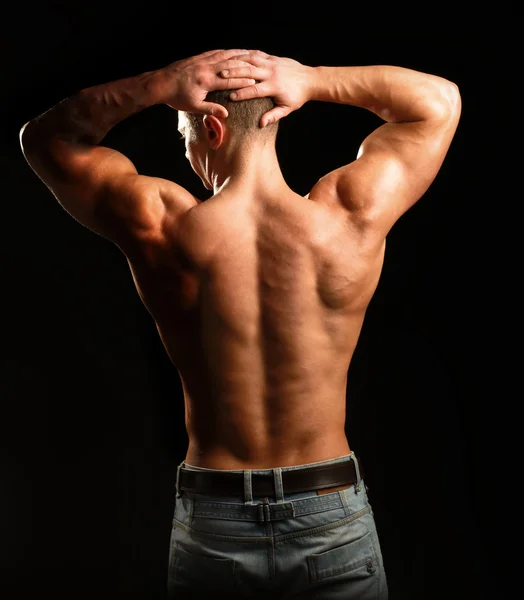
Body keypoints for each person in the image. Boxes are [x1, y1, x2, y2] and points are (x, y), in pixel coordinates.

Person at [19, 48, 461, 599]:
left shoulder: (163, 229)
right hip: (328, 510)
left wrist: (158, 85)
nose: (187, 156)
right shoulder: (349, 217)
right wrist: (312, 80)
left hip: (216, 515)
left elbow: (45, 140)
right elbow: (439, 103)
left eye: (185, 139)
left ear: (211, 127)